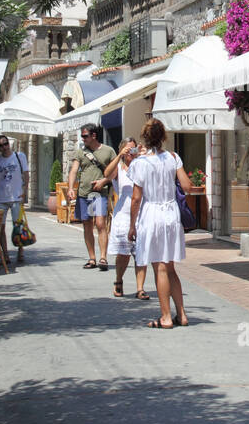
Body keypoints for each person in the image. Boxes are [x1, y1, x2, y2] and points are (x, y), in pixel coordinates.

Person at [127, 118, 194, 329]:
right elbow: (187, 186)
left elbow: (136, 198)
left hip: (152, 213)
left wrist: (132, 225)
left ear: (144, 138)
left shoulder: (140, 163)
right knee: (171, 267)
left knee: (160, 268)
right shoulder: (174, 157)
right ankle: (181, 314)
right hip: (171, 213)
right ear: (163, 136)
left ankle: (165, 316)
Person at [104, 138, 149, 299]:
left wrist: (145, 155)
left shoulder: (142, 164)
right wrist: (118, 156)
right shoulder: (119, 167)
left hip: (142, 212)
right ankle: (118, 280)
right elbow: (107, 174)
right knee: (123, 253)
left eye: (133, 149)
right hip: (123, 214)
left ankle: (140, 288)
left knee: (141, 252)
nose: (131, 153)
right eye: (128, 150)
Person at [67, 124, 116, 270]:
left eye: (85, 136)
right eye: (82, 136)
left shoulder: (108, 151)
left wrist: (104, 181)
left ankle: (103, 258)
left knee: (101, 223)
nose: (83, 139)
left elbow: (114, 172)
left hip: (99, 194)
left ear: (94, 136)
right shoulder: (81, 153)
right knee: (87, 224)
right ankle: (92, 258)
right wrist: (70, 188)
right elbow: (74, 170)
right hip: (84, 193)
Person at [0, 134, 29, 266]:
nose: (4, 147)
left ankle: (20, 251)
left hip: (16, 196)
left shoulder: (19, 156)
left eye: (5, 144)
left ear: (8, 143)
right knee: (1, 227)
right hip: (1, 197)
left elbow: (26, 174)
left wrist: (25, 191)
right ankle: (5, 254)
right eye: (0, 146)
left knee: (18, 226)